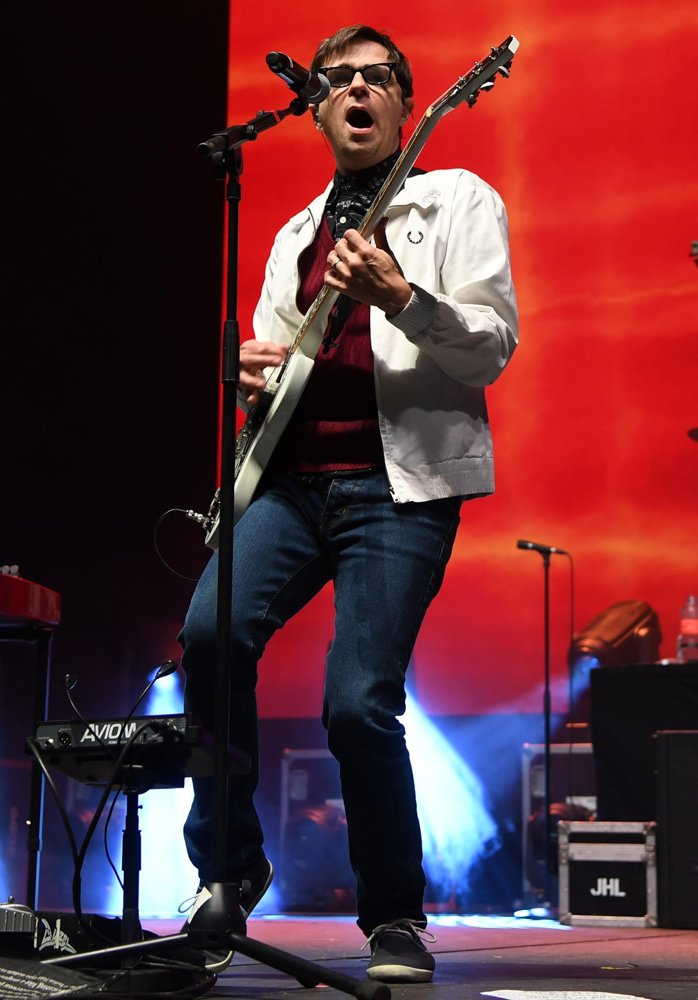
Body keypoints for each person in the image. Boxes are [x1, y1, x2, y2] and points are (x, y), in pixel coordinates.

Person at [180, 23, 518, 983]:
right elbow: (278, 366)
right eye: (340, 81)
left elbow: (492, 345)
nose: (359, 92)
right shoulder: (294, 230)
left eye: (378, 79)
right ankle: (230, 872)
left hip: (397, 488)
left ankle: (395, 916)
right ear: (319, 106)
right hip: (289, 484)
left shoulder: (455, 200)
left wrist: (404, 296)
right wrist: (252, 374)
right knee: (208, 639)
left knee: (358, 702)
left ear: (407, 104)